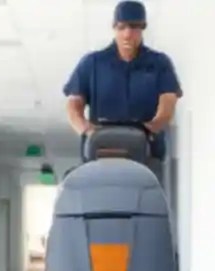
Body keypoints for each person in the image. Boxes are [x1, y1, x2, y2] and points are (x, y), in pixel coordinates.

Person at [63, 1, 182, 163]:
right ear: (114, 27)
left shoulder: (160, 64)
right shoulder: (92, 64)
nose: (127, 34)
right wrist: (86, 129)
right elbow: (73, 105)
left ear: (142, 28)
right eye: (121, 27)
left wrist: (151, 128)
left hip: (146, 155)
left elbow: (168, 104)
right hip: (101, 154)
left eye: (134, 27)